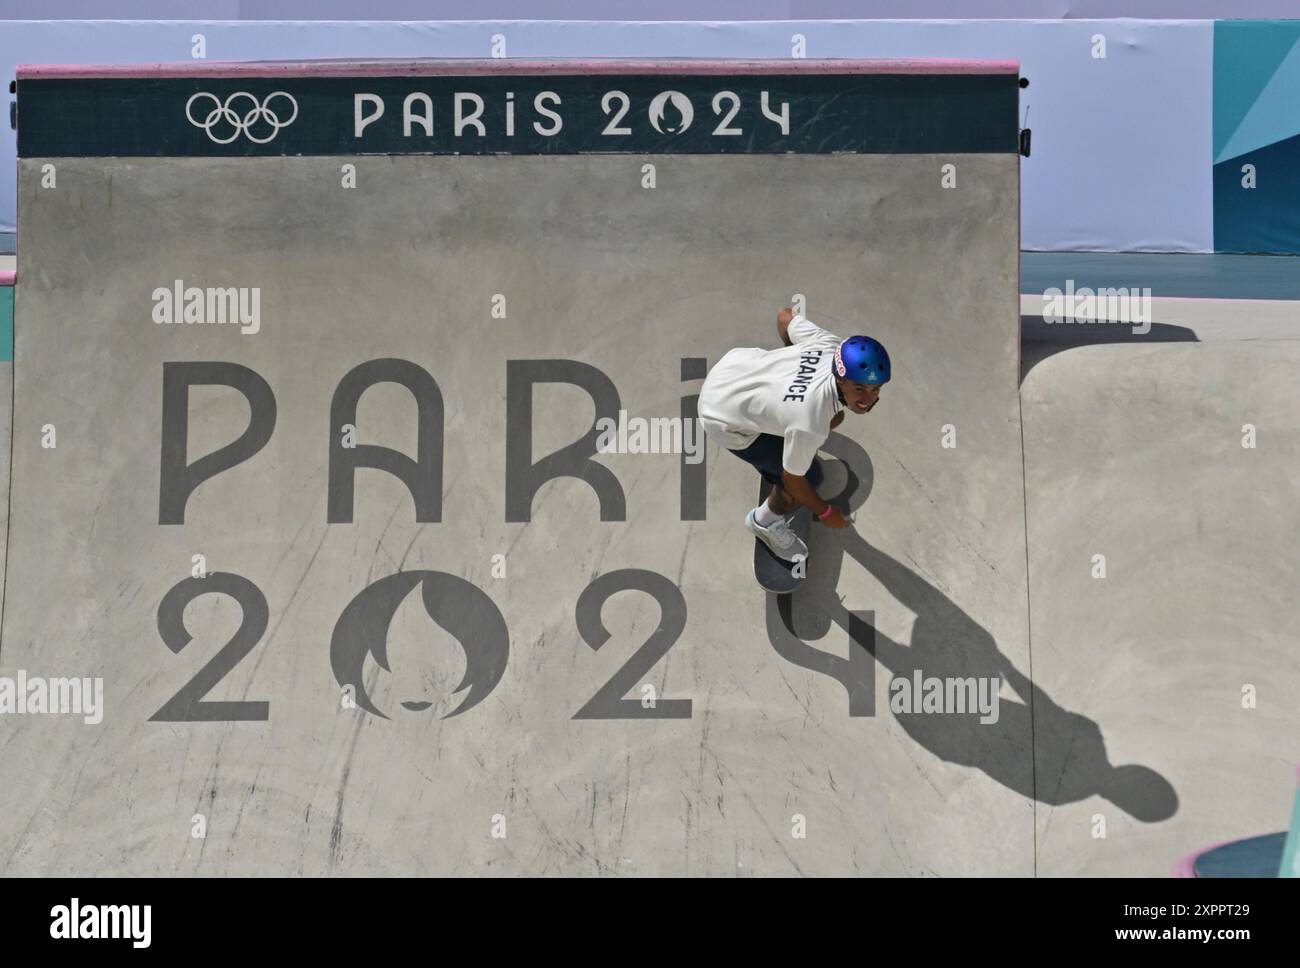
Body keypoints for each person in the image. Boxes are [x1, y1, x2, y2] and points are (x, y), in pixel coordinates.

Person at [698, 307, 890, 562]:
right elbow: (793, 480)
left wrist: (792, 359)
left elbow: (784, 316)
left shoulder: (832, 346)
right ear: (841, 378)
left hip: (733, 368)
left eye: (876, 389)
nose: (868, 399)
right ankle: (763, 522)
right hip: (721, 416)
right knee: (810, 477)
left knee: (836, 416)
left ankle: (780, 427)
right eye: (859, 388)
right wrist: (825, 512)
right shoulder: (809, 420)